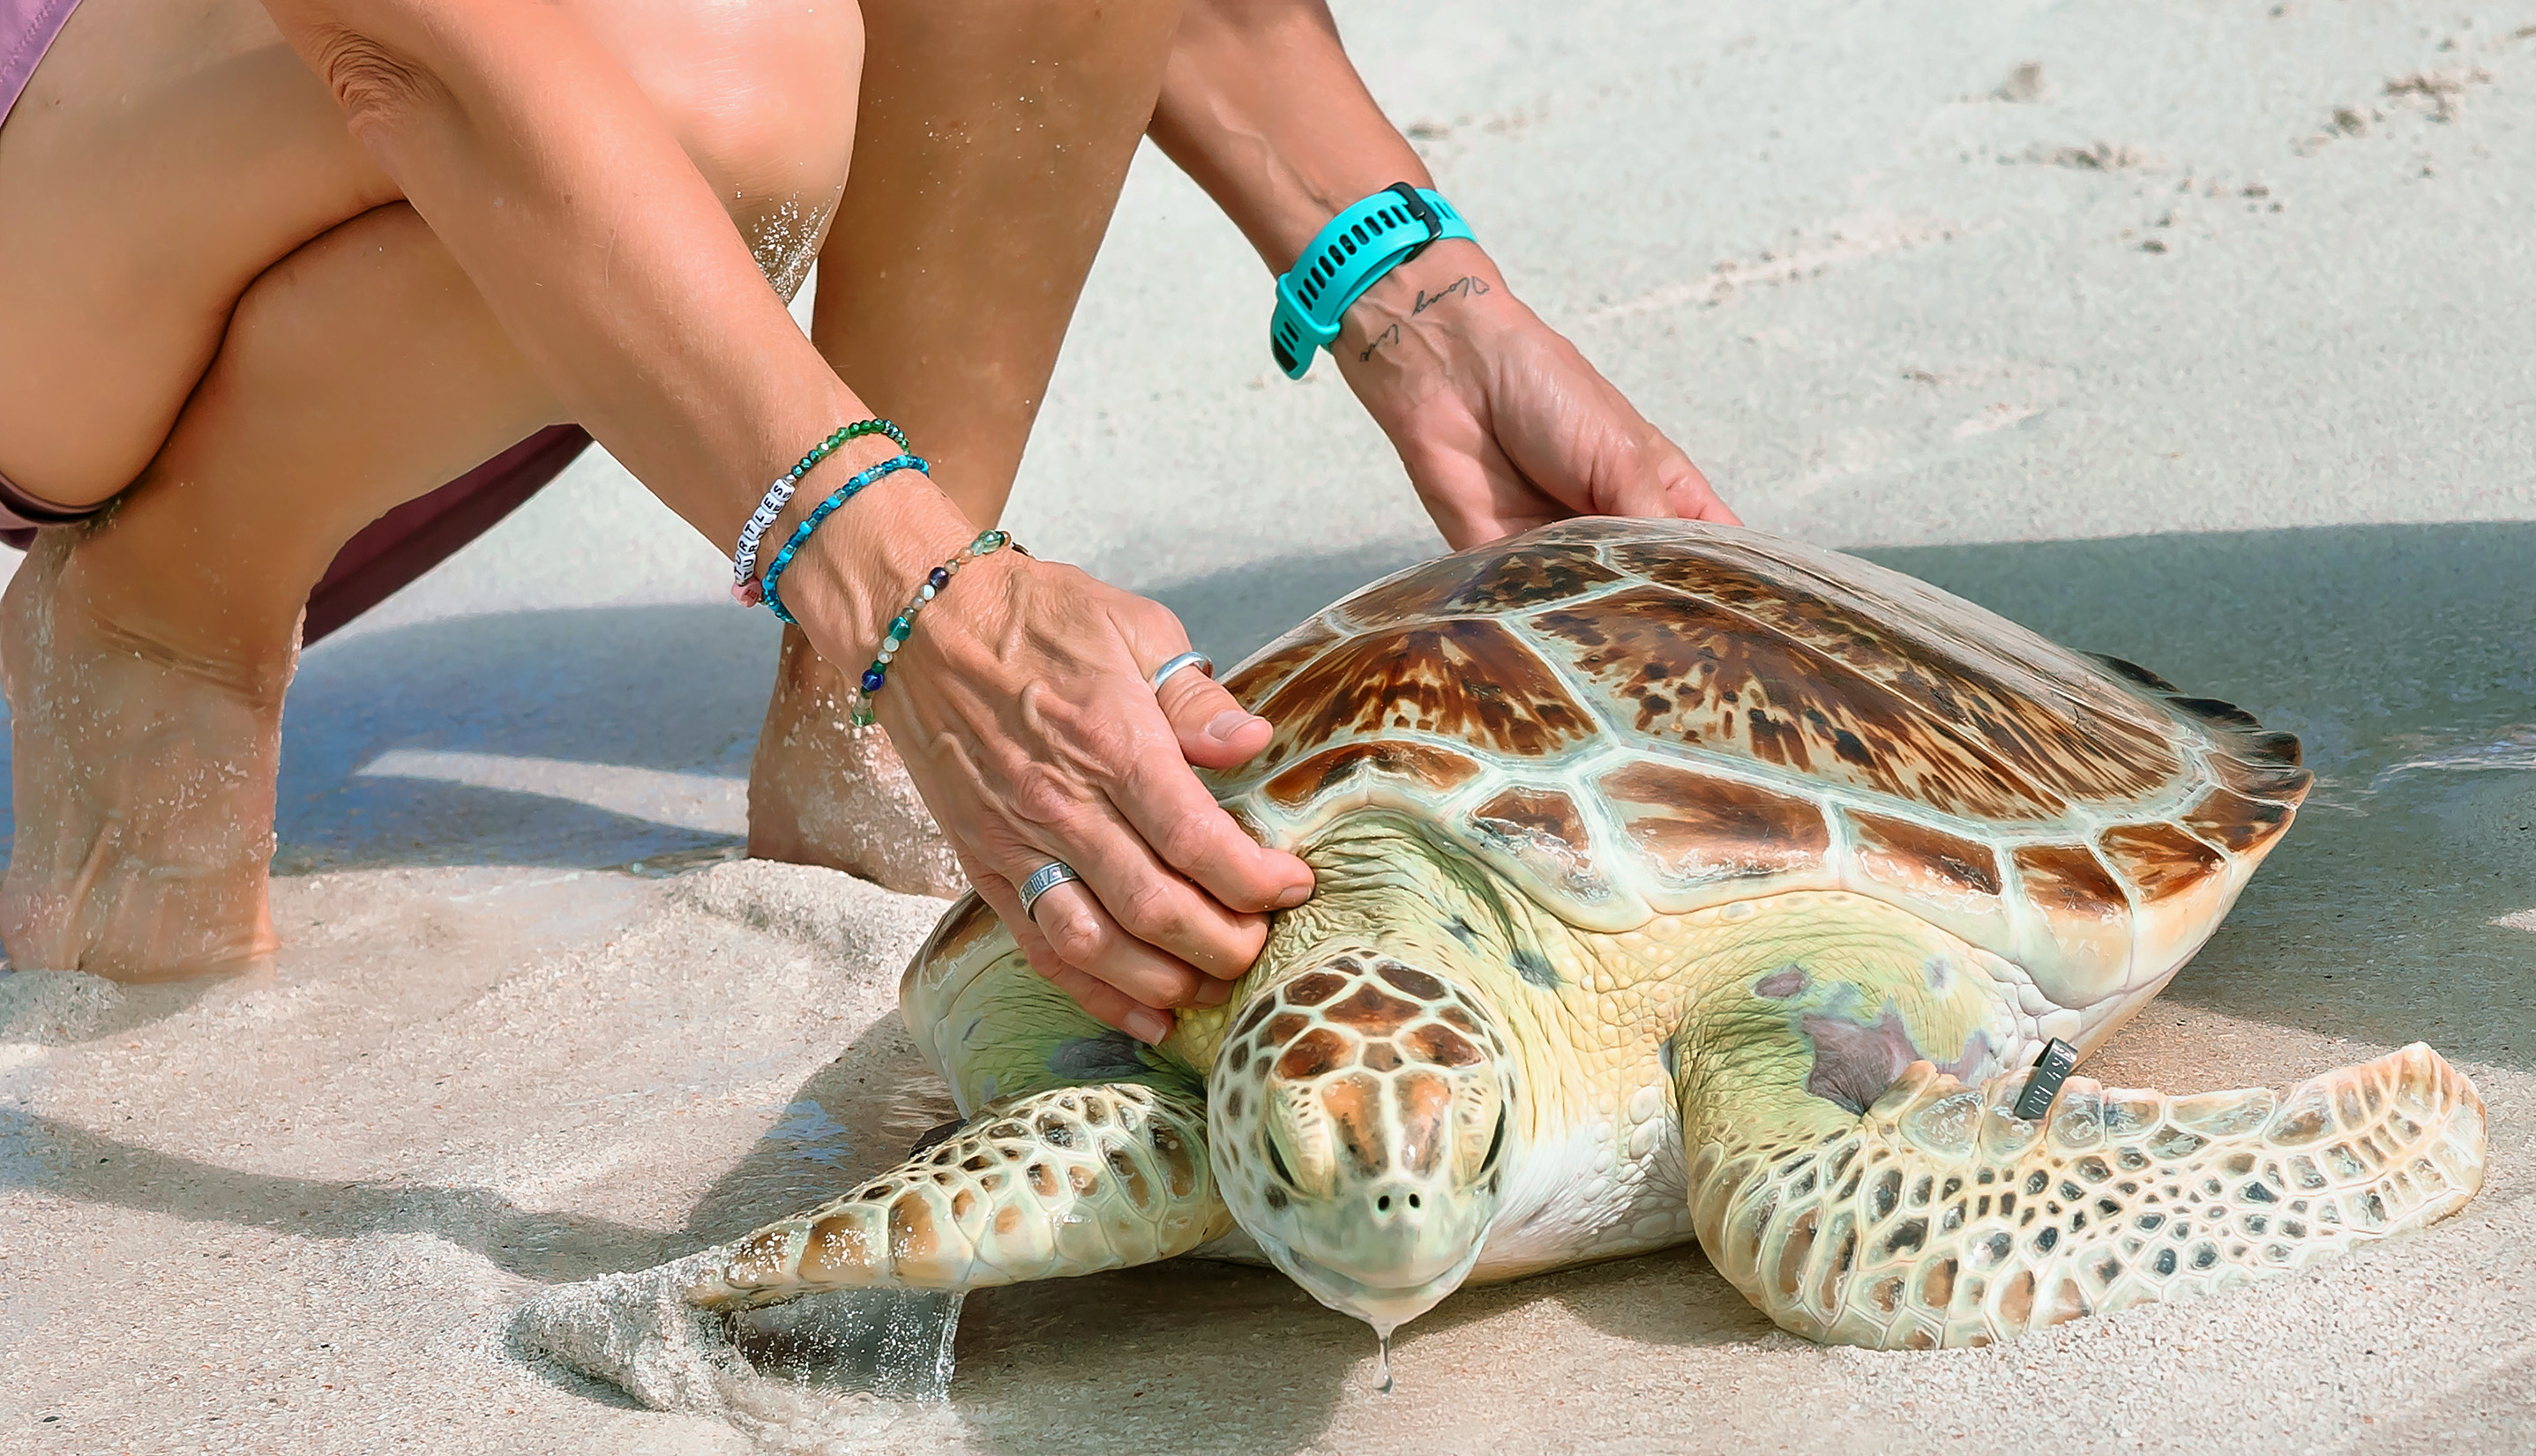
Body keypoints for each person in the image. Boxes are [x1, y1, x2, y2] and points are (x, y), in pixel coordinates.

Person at [0, 0, 1734, 1043]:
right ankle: (172, 597)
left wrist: (1423, 303)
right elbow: (411, 42)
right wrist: (914, 596)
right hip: (107, 226)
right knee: (721, 71)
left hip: (546, 229)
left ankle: (862, 734)